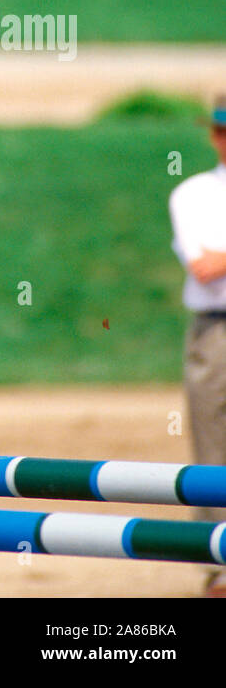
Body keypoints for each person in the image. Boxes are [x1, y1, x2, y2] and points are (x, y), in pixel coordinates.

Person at [168, 93, 226, 597]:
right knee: (212, 441)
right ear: (214, 136)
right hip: (216, 329)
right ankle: (219, 561)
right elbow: (203, 268)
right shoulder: (192, 194)